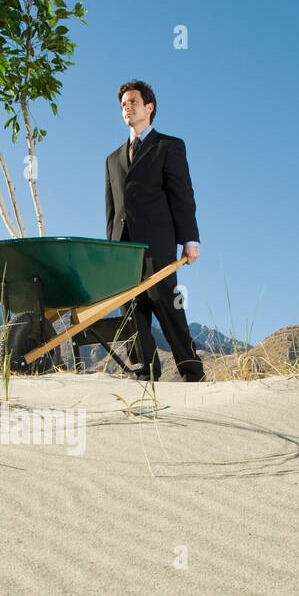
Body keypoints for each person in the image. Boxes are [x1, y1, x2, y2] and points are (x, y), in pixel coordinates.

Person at [105, 80, 205, 381]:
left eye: (133, 101)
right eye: (123, 103)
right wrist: (109, 250)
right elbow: (112, 210)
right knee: (130, 311)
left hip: (157, 244)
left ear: (149, 107)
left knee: (166, 304)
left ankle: (192, 372)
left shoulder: (169, 147)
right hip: (122, 250)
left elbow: (182, 195)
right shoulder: (112, 159)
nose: (127, 107)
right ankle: (145, 373)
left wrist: (189, 240)